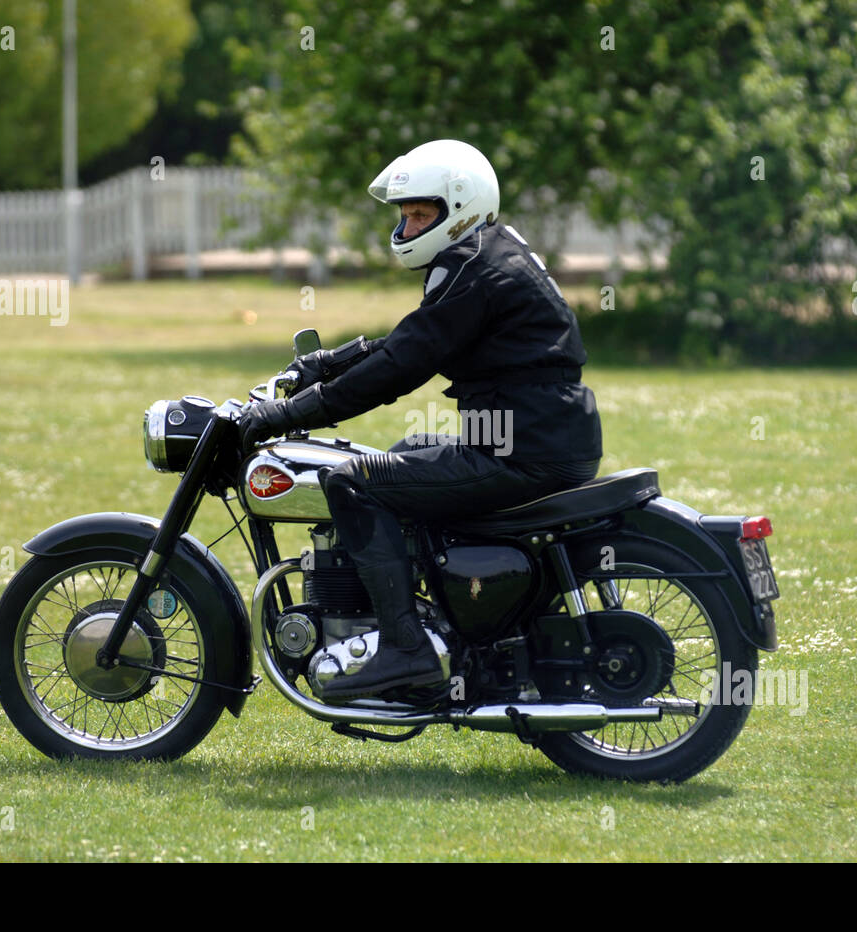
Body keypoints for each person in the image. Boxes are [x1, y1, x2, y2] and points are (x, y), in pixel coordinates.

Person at [236, 139, 602, 699]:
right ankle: (442, 621)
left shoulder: (471, 266)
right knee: (408, 451)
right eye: (405, 214)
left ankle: (405, 648)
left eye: (421, 214)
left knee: (352, 481)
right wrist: (326, 364)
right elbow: (418, 337)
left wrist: (286, 413)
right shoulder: (489, 252)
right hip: (535, 436)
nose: (407, 226)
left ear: (459, 209)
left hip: (519, 450)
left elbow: (401, 365)